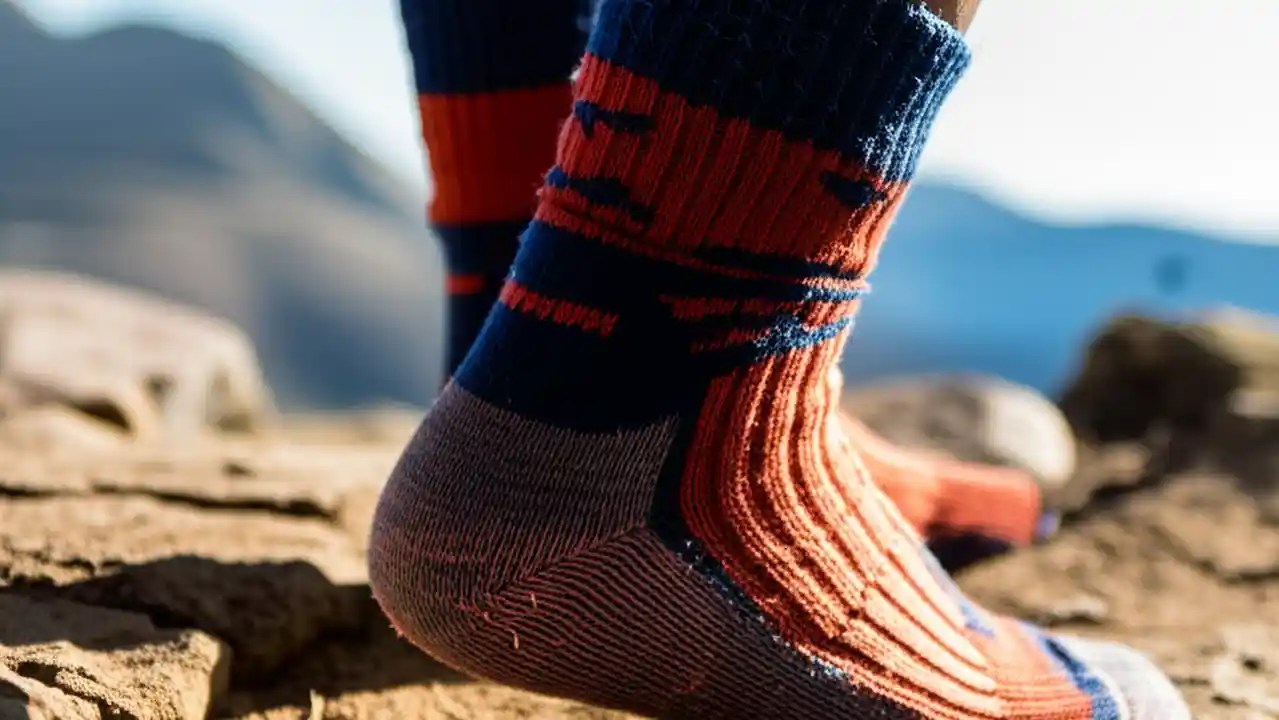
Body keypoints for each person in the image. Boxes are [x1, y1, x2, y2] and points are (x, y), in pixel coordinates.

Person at [370, 0, 1190, 717]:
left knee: (561, 349)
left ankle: (532, 373)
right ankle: (686, 443)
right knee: (655, 386)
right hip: (647, 478)